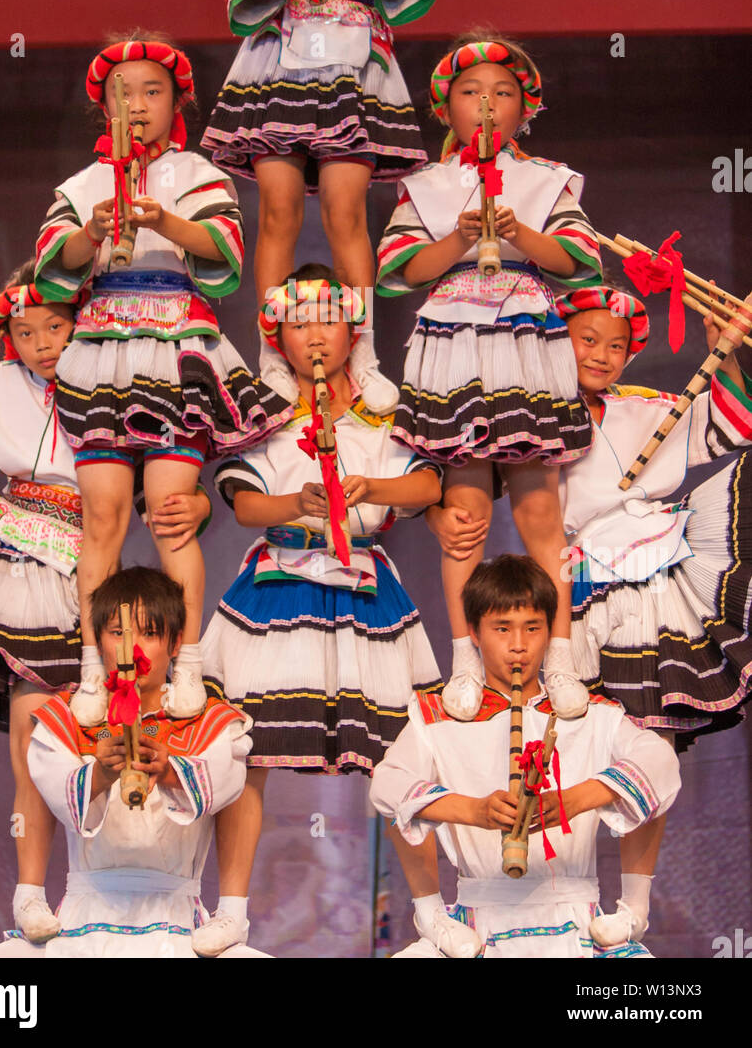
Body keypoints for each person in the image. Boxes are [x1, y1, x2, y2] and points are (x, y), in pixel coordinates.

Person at [0, 258, 209, 943]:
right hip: (0, 539)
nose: (41, 344)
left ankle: (60, 892)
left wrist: (200, 500)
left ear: (83, 324)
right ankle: (28, 893)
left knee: (36, 737)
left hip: (76, 575)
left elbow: (170, 473)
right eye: (26, 331)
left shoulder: (120, 387)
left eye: (55, 327)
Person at [195, 264, 460, 956]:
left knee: (401, 750)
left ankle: (432, 911)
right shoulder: (262, 407)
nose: (315, 333)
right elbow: (243, 501)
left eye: (328, 319)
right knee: (245, 748)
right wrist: (298, 505)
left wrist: (375, 485)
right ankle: (229, 912)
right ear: (278, 334)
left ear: (353, 330)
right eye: (300, 321)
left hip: (366, 585)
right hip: (279, 580)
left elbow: (429, 482)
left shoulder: (383, 404)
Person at [34, 32, 290, 726]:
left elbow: (227, 255)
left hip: (175, 345)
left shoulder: (198, 174)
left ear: (177, 100)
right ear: (103, 107)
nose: (137, 105)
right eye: (124, 93)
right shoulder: (81, 186)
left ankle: (189, 667)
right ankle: (94, 669)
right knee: (104, 520)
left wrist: (167, 221)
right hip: (102, 347)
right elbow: (50, 267)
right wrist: (91, 234)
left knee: (175, 517)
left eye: (152, 91)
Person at [201, 0, 438, 413]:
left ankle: (361, 354)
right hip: (280, 58)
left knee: (344, 209)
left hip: (355, 62)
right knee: (277, 209)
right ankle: (269, 357)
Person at [377, 34, 601, 722]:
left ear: (524, 107)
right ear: (447, 105)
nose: (487, 104)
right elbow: (398, 271)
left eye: (503, 93)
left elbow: (579, 262)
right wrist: (459, 239)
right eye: (472, 92)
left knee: (539, 512)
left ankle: (561, 656)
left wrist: (519, 234)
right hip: (456, 344)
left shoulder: (549, 179)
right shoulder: (427, 185)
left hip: (526, 343)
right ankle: (465, 658)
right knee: (466, 519)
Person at [553, 282, 751, 945]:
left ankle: (633, 907)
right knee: (573, 747)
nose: (603, 355)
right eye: (588, 340)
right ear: (560, 340)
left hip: (653, 582)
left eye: (617, 345)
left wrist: (721, 349)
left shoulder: (650, 409)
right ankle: (570, 900)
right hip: (574, 588)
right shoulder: (535, 415)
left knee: (648, 741)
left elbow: (738, 420)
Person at [370, 554, 681, 959]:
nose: (519, 645)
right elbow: (387, 783)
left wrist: (575, 799)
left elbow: (660, 764)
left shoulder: (592, 714)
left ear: (549, 632)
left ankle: (633, 913)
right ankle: (430, 917)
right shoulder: (437, 718)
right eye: (502, 629)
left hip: (578, 920)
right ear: (475, 633)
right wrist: (473, 811)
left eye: (532, 628)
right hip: (479, 921)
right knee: (403, 802)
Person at [0, 566, 258, 959]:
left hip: (178, 921)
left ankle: (232, 916)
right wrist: (99, 773)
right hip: (84, 915)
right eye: (119, 633)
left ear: (176, 642)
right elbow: (54, 786)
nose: (134, 649)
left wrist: (168, 772)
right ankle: (28, 899)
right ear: (100, 641)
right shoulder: (67, 721)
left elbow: (227, 780)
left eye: (150, 633)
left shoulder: (209, 723)